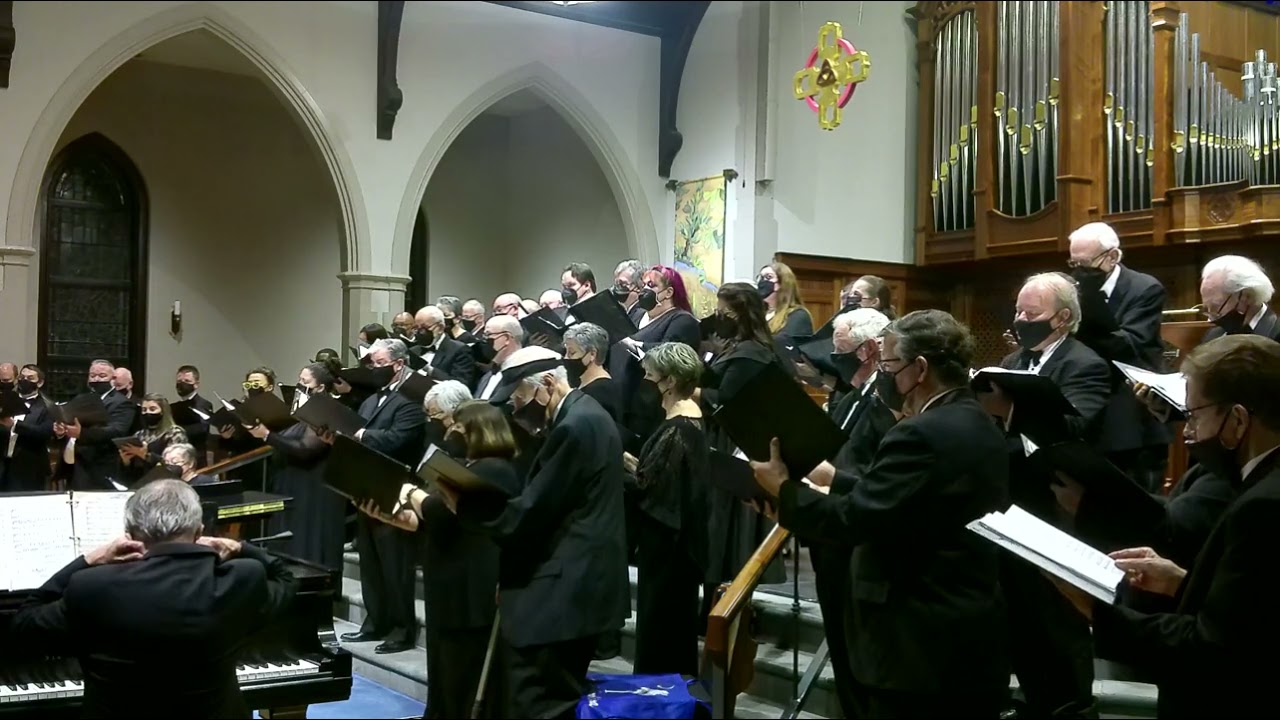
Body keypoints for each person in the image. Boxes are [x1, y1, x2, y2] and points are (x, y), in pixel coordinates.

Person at [751, 309, 1010, 718]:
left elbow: (856, 520)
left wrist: (783, 491)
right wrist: (835, 479)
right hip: (962, 625)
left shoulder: (918, 432)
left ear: (919, 368)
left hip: (915, 636)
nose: (884, 376)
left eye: (888, 365)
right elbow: (912, 501)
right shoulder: (977, 420)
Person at [1054, 334, 1280, 717]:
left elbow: (1212, 651)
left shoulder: (1261, 507)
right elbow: (1256, 613)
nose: (1187, 431)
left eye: (1194, 415)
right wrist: (1182, 583)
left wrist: (1097, 610)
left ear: (1238, 419)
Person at [443, 346, 629, 719]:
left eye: (519, 397)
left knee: (537, 704)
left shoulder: (576, 426)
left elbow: (533, 510)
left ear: (547, 383)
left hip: (563, 593)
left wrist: (462, 504)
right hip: (573, 585)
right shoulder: (584, 417)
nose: (514, 408)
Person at [11, 479, 298, 718]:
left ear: (130, 535)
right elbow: (285, 579)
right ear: (199, 532)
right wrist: (240, 547)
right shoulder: (241, 579)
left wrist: (86, 560)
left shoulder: (90, 587)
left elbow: (24, 623)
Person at [979, 273, 1107, 718]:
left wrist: (1012, 411)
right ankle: (1034, 700)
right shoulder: (1014, 358)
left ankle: (1070, 705)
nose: (1020, 320)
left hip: (1055, 506)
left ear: (1064, 317)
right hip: (1011, 504)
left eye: (1030, 314)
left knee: (1056, 617)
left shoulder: (1084, 363)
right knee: (1019, 614)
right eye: (1017, 312)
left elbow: (1076, 429)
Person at [364, 400, 521, 719]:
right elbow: (426, 520)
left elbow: (435, 509)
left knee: (461, 667)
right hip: (448, 578)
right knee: (443, 663)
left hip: (471, 583)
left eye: (458, 428)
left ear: (480, 431)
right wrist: (386, 514)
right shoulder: (469, 466)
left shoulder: (495, 468)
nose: (451, 433)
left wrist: (407, 490)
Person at [805, 307, 894, 719]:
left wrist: (831, 477)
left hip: (859, 534)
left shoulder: (887, 398)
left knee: (857, 650)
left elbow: (875, 468)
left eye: (841, 351)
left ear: (870, 350)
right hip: (831, 531)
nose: (834, 359)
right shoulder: (850, 394)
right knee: (840, 645)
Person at [696, 282, 793, 607]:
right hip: (724, 439)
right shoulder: (738, 346)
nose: (718, 317)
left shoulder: (752, 352)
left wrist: (689, 389)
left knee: (725, 528)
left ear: (742, 313)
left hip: (734, 443)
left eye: (724, 312)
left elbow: (726, 402)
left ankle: (726, 608)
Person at [1067, 221, 1173, 492]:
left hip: (1132, 414)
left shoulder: (1145, 288)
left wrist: (1090, 308)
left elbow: (1130, 345)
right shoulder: (1075, 287)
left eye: (1086, 263)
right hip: (1091, 408)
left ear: (1112, 257)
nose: (1080, 271)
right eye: (1073, 263)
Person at [623, 342, 708, 676]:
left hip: (669, 550)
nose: (645, 379)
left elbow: (652, 489)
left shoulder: (679, 427)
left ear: (669, 381)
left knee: (661, 630)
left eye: (650, 374)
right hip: (674, 548)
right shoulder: (684, 420)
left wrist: (616, 467)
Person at [336, 339, 425, 655]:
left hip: (395, 490)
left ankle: (402, 629)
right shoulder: (370, 400)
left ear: (398, 364)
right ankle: (375, 622)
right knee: (371, 562)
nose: (371, 369)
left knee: (395, 564)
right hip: (365, 486)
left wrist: (360, 435)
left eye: (377, 363)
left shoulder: (410, 402)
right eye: (370, 363)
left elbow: (399, 440)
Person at [248, 363, 345, 571]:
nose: (299, 386)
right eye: (299, 381)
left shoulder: (326, 410)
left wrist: (266, 435)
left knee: (307, 544)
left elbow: (306, 449)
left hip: (314, 489)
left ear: (320, 387)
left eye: (305, 382)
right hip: (293, 483)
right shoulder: (301, 411)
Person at [612, 265, 701, 442]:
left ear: (668, 292)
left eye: (651, 285)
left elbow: (670, 355)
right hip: (624, 398)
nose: (645, 290)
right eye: (644, 285)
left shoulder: (682, 320)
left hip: (651, 405)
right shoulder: (637, 314)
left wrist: (638, 345)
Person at [55, 359, 136, 491]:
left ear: (113, 378)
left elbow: (117, 430)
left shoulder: (121, 402)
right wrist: (61, 431)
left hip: (100, 464)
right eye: (92, 376)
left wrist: (82, 433)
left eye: (102, 376)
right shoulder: (81, 398)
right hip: (75, 462)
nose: (96, 379)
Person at [1200, 255, 1280, 341]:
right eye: (1207, 308)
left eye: (1216, 306)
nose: (1209, 319)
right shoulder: (1213, 336)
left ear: (1247, 296)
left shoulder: (1276, 334)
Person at [0, 363, 54, 492]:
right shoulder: (5, 400)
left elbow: (44, 433)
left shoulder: (47, 406)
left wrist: (16, 425)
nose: (24, 381)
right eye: (22, 377)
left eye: (30, 378)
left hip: (28, 467)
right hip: (2, 463)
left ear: (40, 383)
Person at [120, 394, 189, 484]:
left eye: (152, 409)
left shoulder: (175, 433)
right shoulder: (139, 435)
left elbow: (174, 466)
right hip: (139, 481)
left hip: (164, 482)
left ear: (163, 411)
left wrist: (146, 456)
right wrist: (126, 461)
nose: (147, 413)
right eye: (144, 410)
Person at [562, 322, 620, 420]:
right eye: (566, 352)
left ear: (592, 354)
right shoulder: (577, 381)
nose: (566, 357)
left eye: (571, 353)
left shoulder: (602, 391)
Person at [413, 305, 477, 387]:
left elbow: (461, 384)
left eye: (424, 328)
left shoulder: (460, 350)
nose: (419, 332)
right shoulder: (413, 351)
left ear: (440, 328)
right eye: (416, 328)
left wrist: (430, 370)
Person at [757, 261, 813, 339]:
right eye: (760, 277)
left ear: (782, 283)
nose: (761, 282)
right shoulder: (758, 313)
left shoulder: (797, 315)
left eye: (768, 277)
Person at [474, 316, 525, 400]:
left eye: (488, 335)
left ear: (506, 338)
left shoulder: (523, 376)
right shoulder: (486, 376)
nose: (484, 340)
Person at [174, 365, 214, 458]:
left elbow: (203, 428)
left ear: (196, 384)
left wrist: (177, 431)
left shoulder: (204, 404)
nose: (182, 384)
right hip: (177, 453)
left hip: (196, 454)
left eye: (187, 381)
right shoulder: (173, 407)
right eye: (179, 381)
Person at [611, 259, 647, 325]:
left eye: (622, 283)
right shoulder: (622, 313)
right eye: (616, 283)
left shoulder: (643, 314)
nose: (617, 287)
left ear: (638, 287)